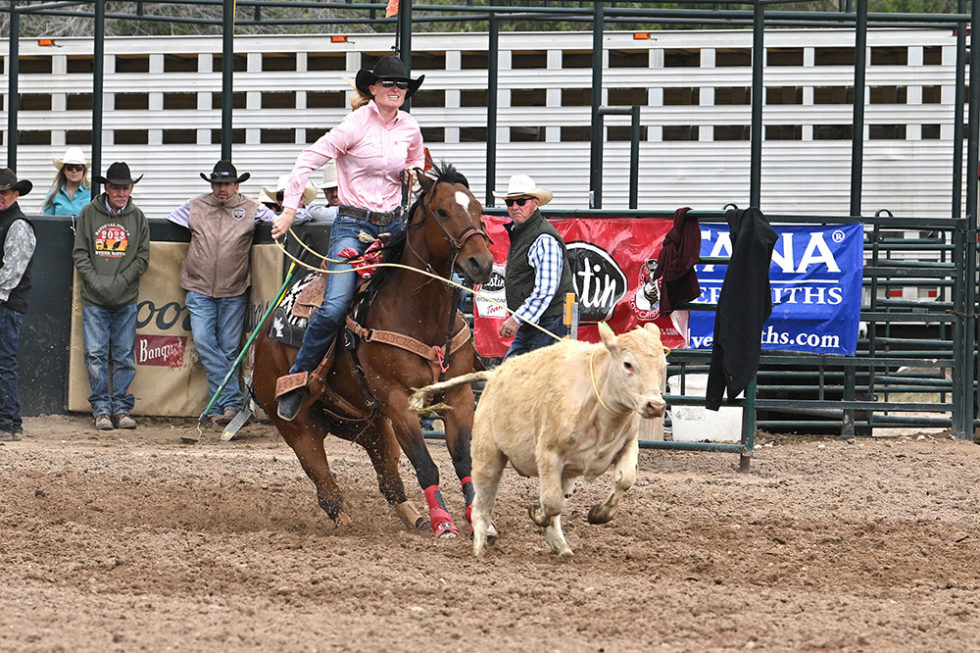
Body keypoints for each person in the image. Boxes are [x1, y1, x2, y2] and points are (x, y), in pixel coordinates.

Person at [270, 55, 425, 421]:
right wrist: (290, 210)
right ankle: (298, 377)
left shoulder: (410, 128)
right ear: (372, 88)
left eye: (401, 85)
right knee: (336, 304)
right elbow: (307, 159)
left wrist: (414, 175)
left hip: (394, 227)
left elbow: (418, 164)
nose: (395, 90)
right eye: (388, 83)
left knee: (428, 286)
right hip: (352, 227)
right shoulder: (354, 125)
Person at [167, 160, 276, 428]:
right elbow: (170, 219)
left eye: (226, 184)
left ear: (237, 186)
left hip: (234, 289)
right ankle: (234, 402)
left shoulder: (252, 208)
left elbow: (279, 221)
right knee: (206, 343)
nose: (221, 189)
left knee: (228, 350)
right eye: (217, 184)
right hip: (199, 288)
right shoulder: (194, 205)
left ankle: (219, 407)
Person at [72, 162, 150, 430]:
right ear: (106, 188)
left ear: (130, 189)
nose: (121, 192)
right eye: (116, 187)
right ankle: (102, 408)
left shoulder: (138, 217)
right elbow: (80, 253)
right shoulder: (88, 214)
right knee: (95, 354)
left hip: (125, 299)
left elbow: (142, 258)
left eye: (125, 188)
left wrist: (118, 281)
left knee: (124, 355)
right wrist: (98, 282)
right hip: (96, 300)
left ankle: (120, 408)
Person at [493, 174, 574, 359]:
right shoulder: (524, 232)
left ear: (535, 203)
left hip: (549, 323)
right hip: (534, 322)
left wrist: (516, 319)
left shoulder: (543, 238)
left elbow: (545, 291)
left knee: (532, 379)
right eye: (510, 202)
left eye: (521, 201)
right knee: (513, 375)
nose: (514, 207)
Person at [0, 169, 36, 442]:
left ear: (15, 194)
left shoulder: (18, 225)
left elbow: (11, 273)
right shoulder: (9, 222)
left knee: (4, 363)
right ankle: (10, 421)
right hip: (7, 303)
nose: (1, 197)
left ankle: (7, 421)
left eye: (5, 193)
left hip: (7, 303)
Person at [42, 147, 92, 216]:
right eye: (69, 168)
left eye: (78, 168)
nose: (74, 171)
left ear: (84, 171)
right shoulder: (53, 194)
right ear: (64, 170)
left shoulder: (92, 193)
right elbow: (47, 222)